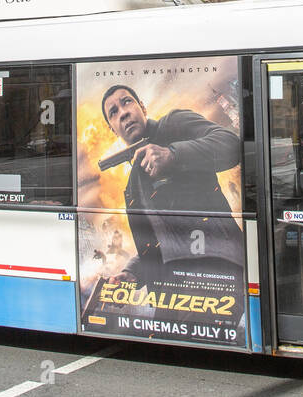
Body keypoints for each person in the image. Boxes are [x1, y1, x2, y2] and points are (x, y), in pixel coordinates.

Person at [99, 84, 244, 286]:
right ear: (112, 129)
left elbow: (231, 145)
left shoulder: (173, 123)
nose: (123, 113)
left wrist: (174, 155)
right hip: (167, 291)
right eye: (113, 112)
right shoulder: (132, 184)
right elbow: (160, 242)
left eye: (127, 102)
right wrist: (133, 272)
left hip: (217, 271)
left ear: (142, 107)